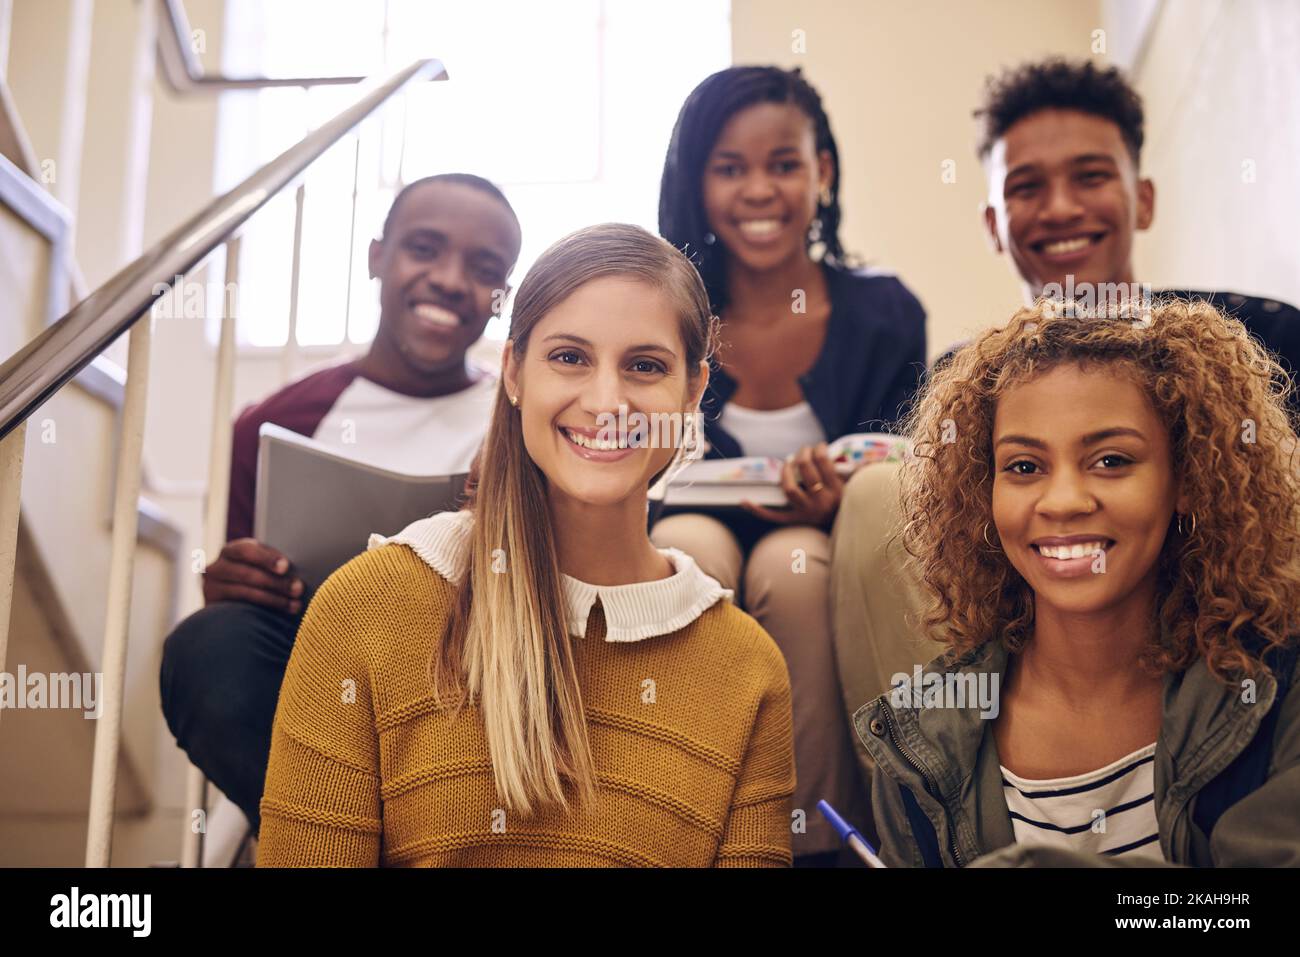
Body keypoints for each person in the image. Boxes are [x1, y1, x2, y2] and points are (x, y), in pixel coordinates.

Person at [255, 223, 796, 867]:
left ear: (693, 392)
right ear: (513, 372)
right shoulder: (366, 607)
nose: (606, 402)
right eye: (569, 357)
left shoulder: (748, 668)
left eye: (645, 366)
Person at [831, 58, 1300, 748]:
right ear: (994, 222)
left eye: (1090, 176)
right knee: (873, 493)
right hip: (1016, 684)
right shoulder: (959, 384)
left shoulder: (1267, 335)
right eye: (1027, 187)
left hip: (1234, 695)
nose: (1059, 207)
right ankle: (953, 791)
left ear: (1142, 199)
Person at [857, 297, 1300, 867]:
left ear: (1188, 478)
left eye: (1111, 460)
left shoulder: (1276, 690)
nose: (1062, 501)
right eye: (1023, 467)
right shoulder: (917, 740)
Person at [160, 173, 523, 833]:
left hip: (474, 678)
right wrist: (233, 583)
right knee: (209, 645)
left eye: (483, 268)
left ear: (502, 297)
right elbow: (247, 612)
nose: (448, 278)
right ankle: (340, 838)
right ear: (376, 258)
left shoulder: (520, 415)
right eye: (424, 249)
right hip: (325, 683)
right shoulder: (277, 423)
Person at [653, 65, 926, 864]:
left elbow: (900, 468)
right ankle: (680, 830)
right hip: (683, 525)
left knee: (794, 564)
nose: (759, 190)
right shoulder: (667, 309)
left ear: (823, 173)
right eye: (729, 167)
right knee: (694, 553)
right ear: (698, 181)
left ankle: (815, 842)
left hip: (828, 539)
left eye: (783, 164)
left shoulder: (885, 314)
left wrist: (835, 496)